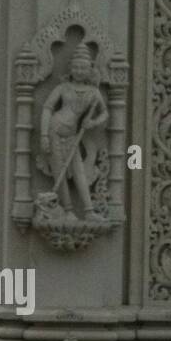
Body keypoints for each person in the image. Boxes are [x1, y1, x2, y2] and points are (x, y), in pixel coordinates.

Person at [38, 44, 108, 220]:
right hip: (55, 130)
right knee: (58, 171)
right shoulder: (63, 88)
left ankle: (89, 211)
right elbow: (47, 108)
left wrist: (92, 122)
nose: (79, 71)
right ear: (70, 68)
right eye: (76, 67)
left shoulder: (93, 92)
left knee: (78, 171)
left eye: (83, 67)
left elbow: (105, 113)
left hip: (72, 136)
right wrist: (44, 135)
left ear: (89, 69)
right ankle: (68, 210)